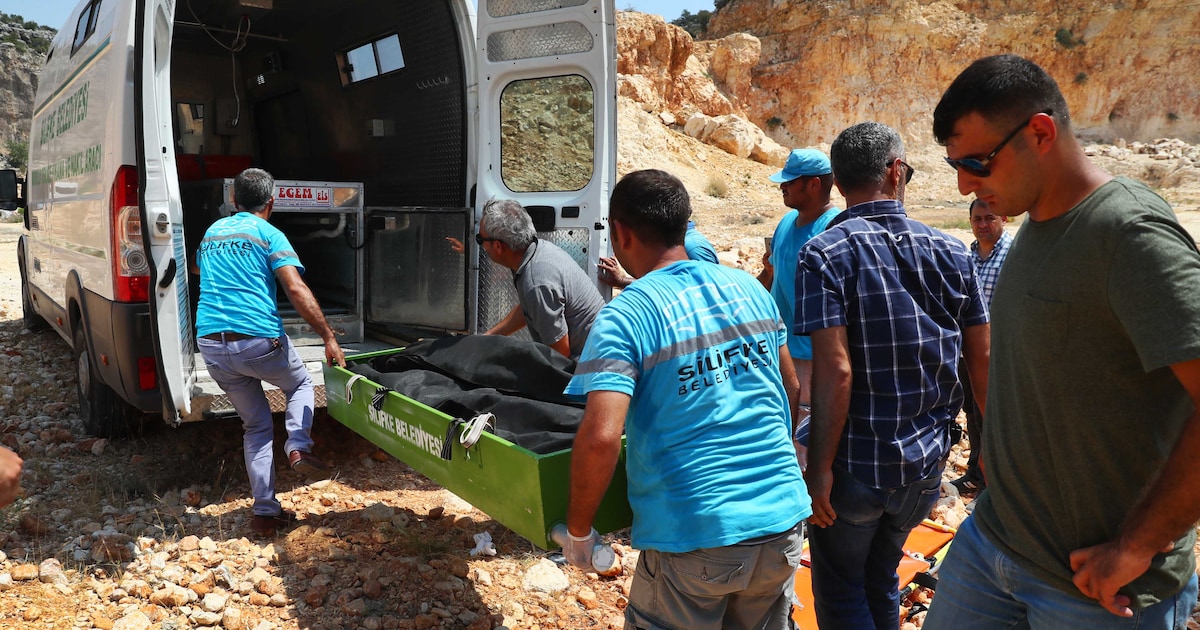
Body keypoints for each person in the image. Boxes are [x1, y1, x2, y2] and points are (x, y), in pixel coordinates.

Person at [923, 54, 1200, 629]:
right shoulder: (1035, 226)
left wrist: (1136, 546)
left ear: (1041, 133)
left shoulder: (1129, 234)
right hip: (992, 545)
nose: (964, 184)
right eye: (955, 165)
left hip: (1092, 589)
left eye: (977, 162)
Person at [563, 169, 811, 630]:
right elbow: (791, 389)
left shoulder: (627, 315)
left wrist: (579, 533)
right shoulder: (750, 288)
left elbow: (601, 437)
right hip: (783, 525)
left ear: (620, 232)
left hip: (695, 536)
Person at [795, 122, 991, 629]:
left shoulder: (824, 254)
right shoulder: (952, 252)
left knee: (841, 591)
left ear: (837, 184)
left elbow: (835, 370)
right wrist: (991, 448)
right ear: (897, 171)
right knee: (881, 578)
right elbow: (983, 358)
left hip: (858, 465)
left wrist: (818, 469)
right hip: (925, 464)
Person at [195, 167, 346, 537]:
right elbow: (295, 288)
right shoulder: (268, 233)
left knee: (256, 426)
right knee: (299, 385)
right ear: (271, 202)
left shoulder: (212, 232)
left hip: (212, 344)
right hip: (259, 340)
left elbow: (200, 272)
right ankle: (298, 445)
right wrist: (327, 335)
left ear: (234, 200)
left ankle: (265, 512)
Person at [756, 148, 842, 461]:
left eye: (791, 181)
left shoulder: (835, 227)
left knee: (806, 439)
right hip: (778, 349)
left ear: (815, 184)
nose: (783, 186)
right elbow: (773, 276)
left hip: (812, 355)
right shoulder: (786, 222)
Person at [479, 199, 605, 360]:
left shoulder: (536, 281)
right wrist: (488, 337)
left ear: (498, 246)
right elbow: (530, 308)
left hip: (593, 363)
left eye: (480, 239)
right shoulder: (538, 250)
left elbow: (560, 356)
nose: (481, 246)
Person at [950, 198, 1012, 496]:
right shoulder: (967, 256)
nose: (983, 225)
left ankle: (997, 484)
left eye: (990, 218)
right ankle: (976, 473)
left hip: (1001, 354)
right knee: (973, 414)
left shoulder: (1014, 255)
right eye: (977, 219)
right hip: (968, 352)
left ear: (1004, 218)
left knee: (997, 418)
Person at [597, 215, 717, 288]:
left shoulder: (693, 247)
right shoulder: (674, 244)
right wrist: (622, 281)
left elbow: (704, 292)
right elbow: (669, 286)